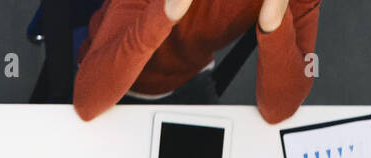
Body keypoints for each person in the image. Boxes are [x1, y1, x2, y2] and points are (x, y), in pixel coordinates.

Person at [72, 0, 320, 124]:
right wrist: (167, 11)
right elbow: (88, 100)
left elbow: (281, 107)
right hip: (113, 79)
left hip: (191, 77)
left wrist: (274, 23)